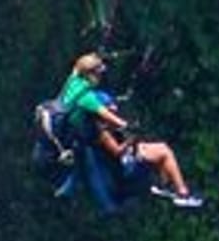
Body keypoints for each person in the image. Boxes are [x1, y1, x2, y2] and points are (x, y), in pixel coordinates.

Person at [59, 52, 204, 209]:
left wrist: (96, 58)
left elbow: (78, 67)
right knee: (164, 151)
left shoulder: (74, 81)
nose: (113, 107)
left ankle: (166, 186)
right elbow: (116, 149)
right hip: (124, 162)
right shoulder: (97, 121)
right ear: (89, 74)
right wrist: (128, 131)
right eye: (98, 73)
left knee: (162, 148)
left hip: (123, 151)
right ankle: (182, 192)